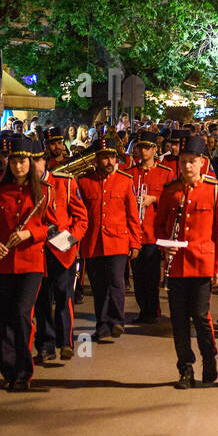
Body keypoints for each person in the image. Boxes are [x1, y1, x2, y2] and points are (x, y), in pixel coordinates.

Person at [155, 135, 218, 389]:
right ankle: (185, 368)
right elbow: (160, 227)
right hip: (176, 267)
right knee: (178, 320)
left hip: (202, 263)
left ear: (202, 163)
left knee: (200, 315)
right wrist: (166, 245)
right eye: (184, 161)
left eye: (192, 162)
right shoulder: (170, 191)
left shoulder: (216, 190)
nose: (187, 166)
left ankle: (209, 358)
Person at [0, 137, 51, 391]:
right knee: (3, 317)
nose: (18, 166)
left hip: (31, 262)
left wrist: (30, 234)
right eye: (13, 160)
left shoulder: (44, 191)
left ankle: (23, 371)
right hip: (3, 263)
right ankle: (8, 369)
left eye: (22, 160)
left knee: (21, 314)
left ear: (31, 162)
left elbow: (53, 226)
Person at [76, 135, 140, 342]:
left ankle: (117, 320)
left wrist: (135, 242)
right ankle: (102, 324)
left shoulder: (125, 181)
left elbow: (132, 215)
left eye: (112, 157)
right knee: (98, 285)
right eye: (104, 157)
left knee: (116, 282)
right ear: (96, 159)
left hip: (118, 241)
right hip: (93, 242)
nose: (109, 161)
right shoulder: (84, 182)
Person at [34, 142, 88, 362]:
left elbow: (82, 218)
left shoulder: (64, 182)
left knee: (64, 296)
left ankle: (65, 342)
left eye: (37, 160)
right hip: (37, 250)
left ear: (44, 161)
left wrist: (71, 240)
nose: (33, 165)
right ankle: (45, 345)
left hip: (62, 248)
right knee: (41, 300)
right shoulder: (26, 186)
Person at [125, 131, 174, 323]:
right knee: (137, 275)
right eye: (140, 147)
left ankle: (153, 310)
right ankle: (143, 309)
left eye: (147, 147)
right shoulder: (130, 174)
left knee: (152, 276)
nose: (143, 151)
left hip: (153, 232)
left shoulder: (165, 173)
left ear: (155, 149)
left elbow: (173, 200)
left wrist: (154, 198)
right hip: (135, 232)